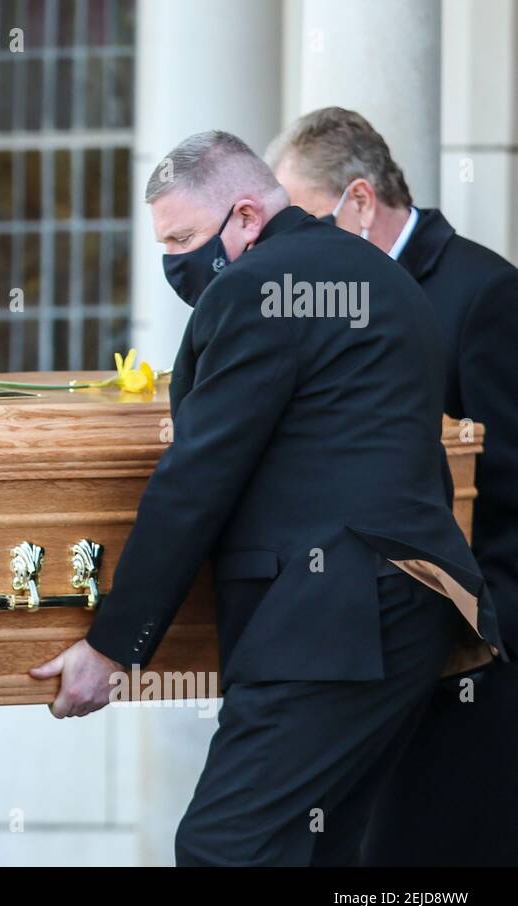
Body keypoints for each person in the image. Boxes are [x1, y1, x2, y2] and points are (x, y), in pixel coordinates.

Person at [31, 131, 504, 866]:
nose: (175, 263)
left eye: (185, 238)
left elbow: (197, 478)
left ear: (246, 216)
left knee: (227, 848)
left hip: (335, 620)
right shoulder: (382, 276)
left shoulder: (258, 288)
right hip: (406, 612)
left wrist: (112, 645)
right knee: (322, 847)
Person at [269, 106, 518, 865]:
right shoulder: (332, 293)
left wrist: (479, 623)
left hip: (469, 651)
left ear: (359, 202)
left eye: (306, 221)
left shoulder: (483, 293)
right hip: (360, 642)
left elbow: (507, 472)